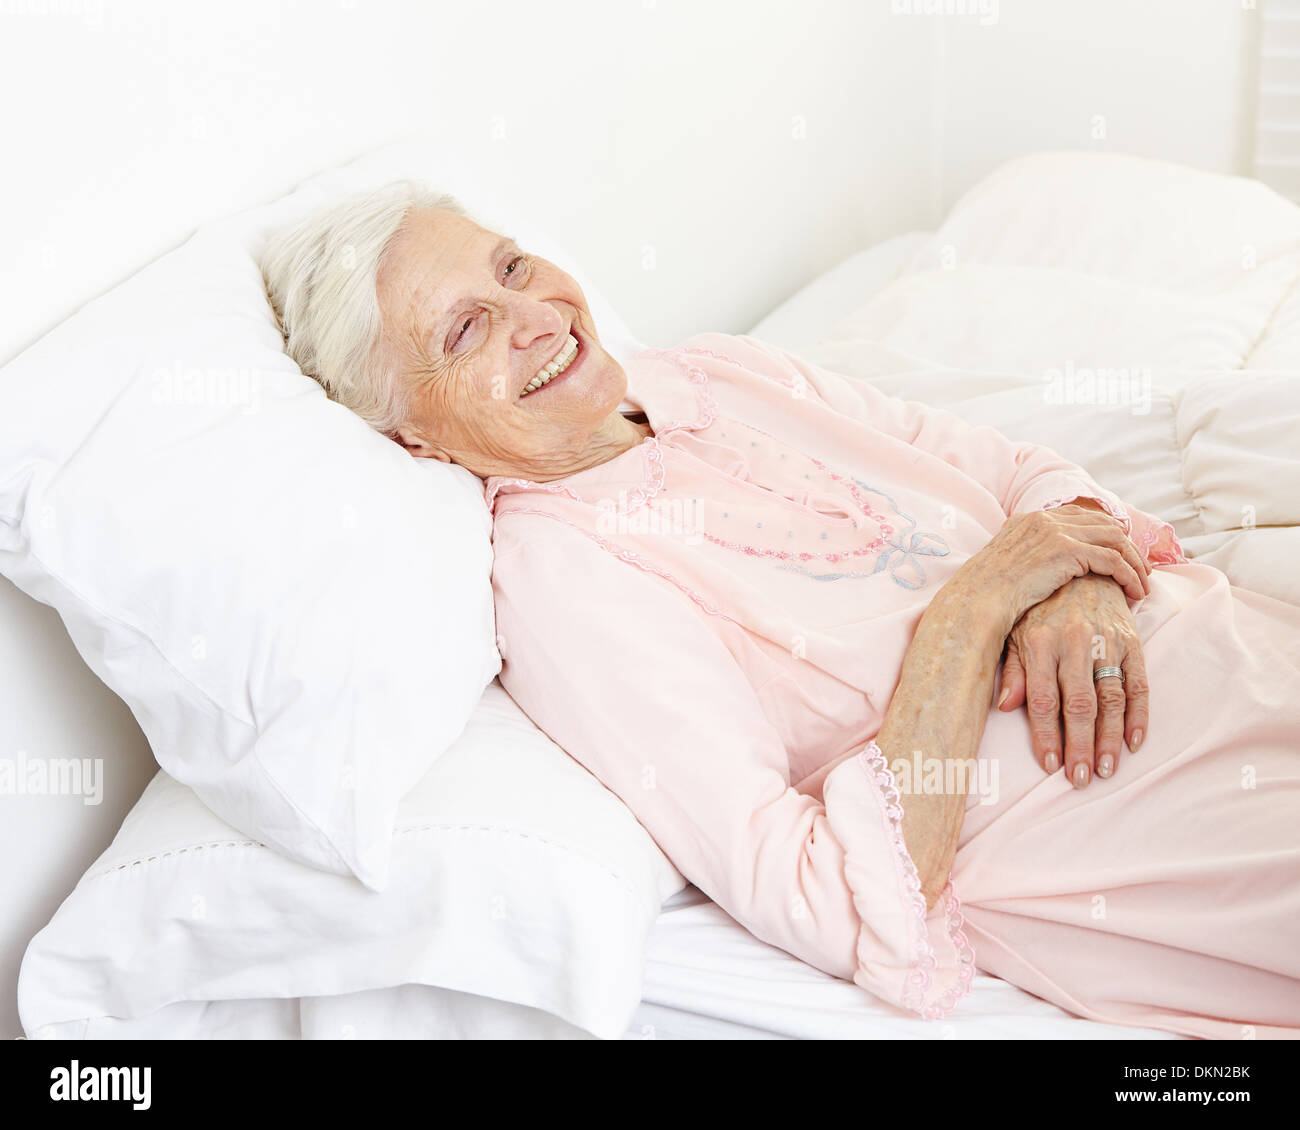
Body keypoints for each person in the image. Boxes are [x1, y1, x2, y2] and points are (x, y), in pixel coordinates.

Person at [260, 180, 1300, 1038]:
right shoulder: (561, 576)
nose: (536, 315)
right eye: (467, 329)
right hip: (1122, 801)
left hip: (1219, 644)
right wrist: (978, 604)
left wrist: (1068, 578)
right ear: (415, 439)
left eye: (512, 265)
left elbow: (1017, 468)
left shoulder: (716, 368)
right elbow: (829, 895)